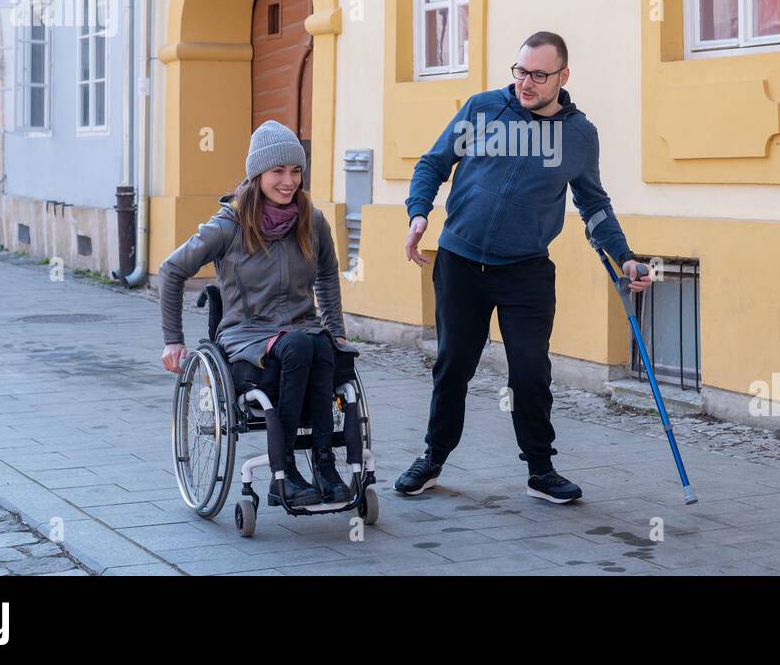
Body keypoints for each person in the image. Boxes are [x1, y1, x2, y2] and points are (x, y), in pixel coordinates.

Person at [395, 31, 652, 504]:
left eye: (538, 75)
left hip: (526, 269)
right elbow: (432, 165)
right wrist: (418, 214)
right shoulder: (482, 109)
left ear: (563, 77)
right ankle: (432, 457)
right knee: (454, 365)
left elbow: (594, 205)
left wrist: (626, 256)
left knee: (530, 370)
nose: (525, 84)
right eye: (520, 71)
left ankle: (541, 470)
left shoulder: (578, 135)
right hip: (460, 260)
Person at [159, 120, 353, 509]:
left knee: (320, 343)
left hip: (299, 334)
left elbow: (328, 273)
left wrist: (337, 329)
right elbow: (172, 270)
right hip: (246, 338)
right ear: (257, 174)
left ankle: (325, 465)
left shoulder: (311, 221)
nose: (289, 181)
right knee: (302, 343)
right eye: (278, 171)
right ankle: (286, 475)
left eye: (295, 171)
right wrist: (173, 340)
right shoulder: (228, 225)